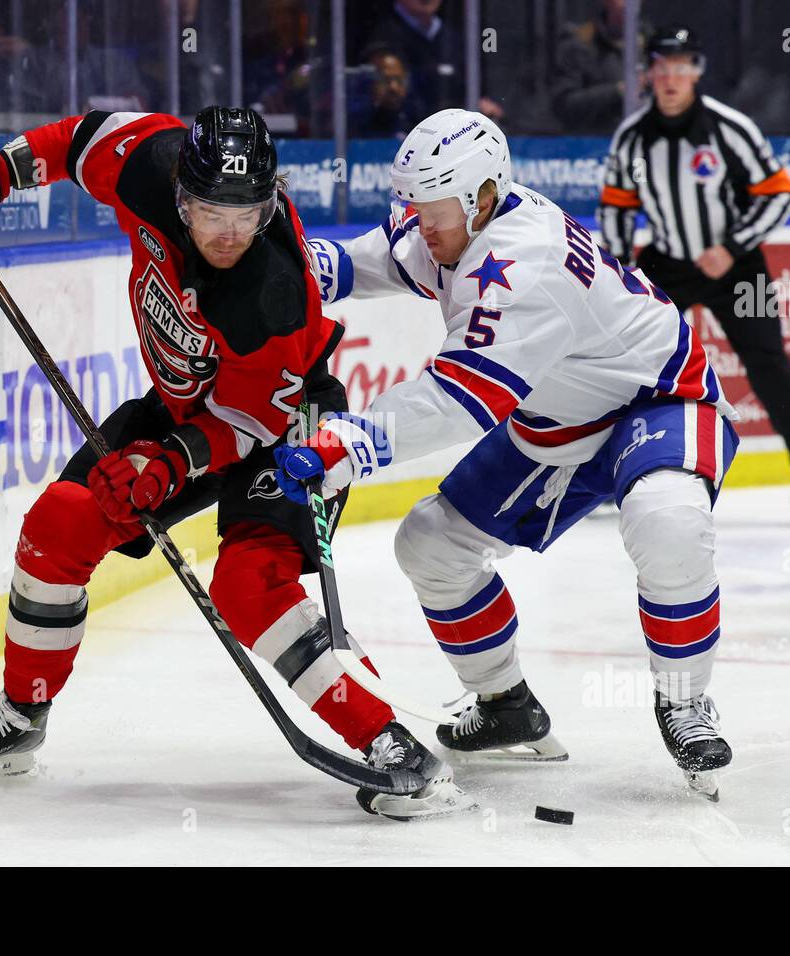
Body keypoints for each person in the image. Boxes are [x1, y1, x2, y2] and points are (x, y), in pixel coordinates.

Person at [0, 106, 468, 820]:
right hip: (185, 408)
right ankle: (21, 716)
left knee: (247, 583)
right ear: (179, 194)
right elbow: (77, 142)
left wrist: (165, 466)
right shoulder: (147, 161)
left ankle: (393, 745)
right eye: (210, 212)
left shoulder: (272, 291)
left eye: (248, 213)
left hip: (287, 420)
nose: (231, 232)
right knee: (60, 524)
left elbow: (252, 421)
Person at [284, 108, 740, 799]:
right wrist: (294, 270)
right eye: (414, 207)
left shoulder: (518, 266)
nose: (420, 224)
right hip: (559, 417)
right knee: (430, 545)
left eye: (432, 212)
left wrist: (351, 441)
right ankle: (506, 708)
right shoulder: (459, 223)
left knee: (666, 517)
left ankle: (684, 700)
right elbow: (370, 259)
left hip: (658, 397)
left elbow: (459, 400)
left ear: (483, 199)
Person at [597, 26, 790, 523]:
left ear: (696, 73)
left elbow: (780, 192)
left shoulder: (729, 129)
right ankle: (606, 473)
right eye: (662, 68)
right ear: (649, 75)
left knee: (767, 362)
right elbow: (617, 206)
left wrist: (732, 246)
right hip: (666, 264)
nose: (671, 78)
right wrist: (620, 272)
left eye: (681, 68)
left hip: (736, 266)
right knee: (624, 363)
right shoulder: (633, 138)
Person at [550, 0, 647, 134]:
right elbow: (563, 107)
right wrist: (617, 91)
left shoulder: (650, 41)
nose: (627, 3)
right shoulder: (579, 42)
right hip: (590, 145)